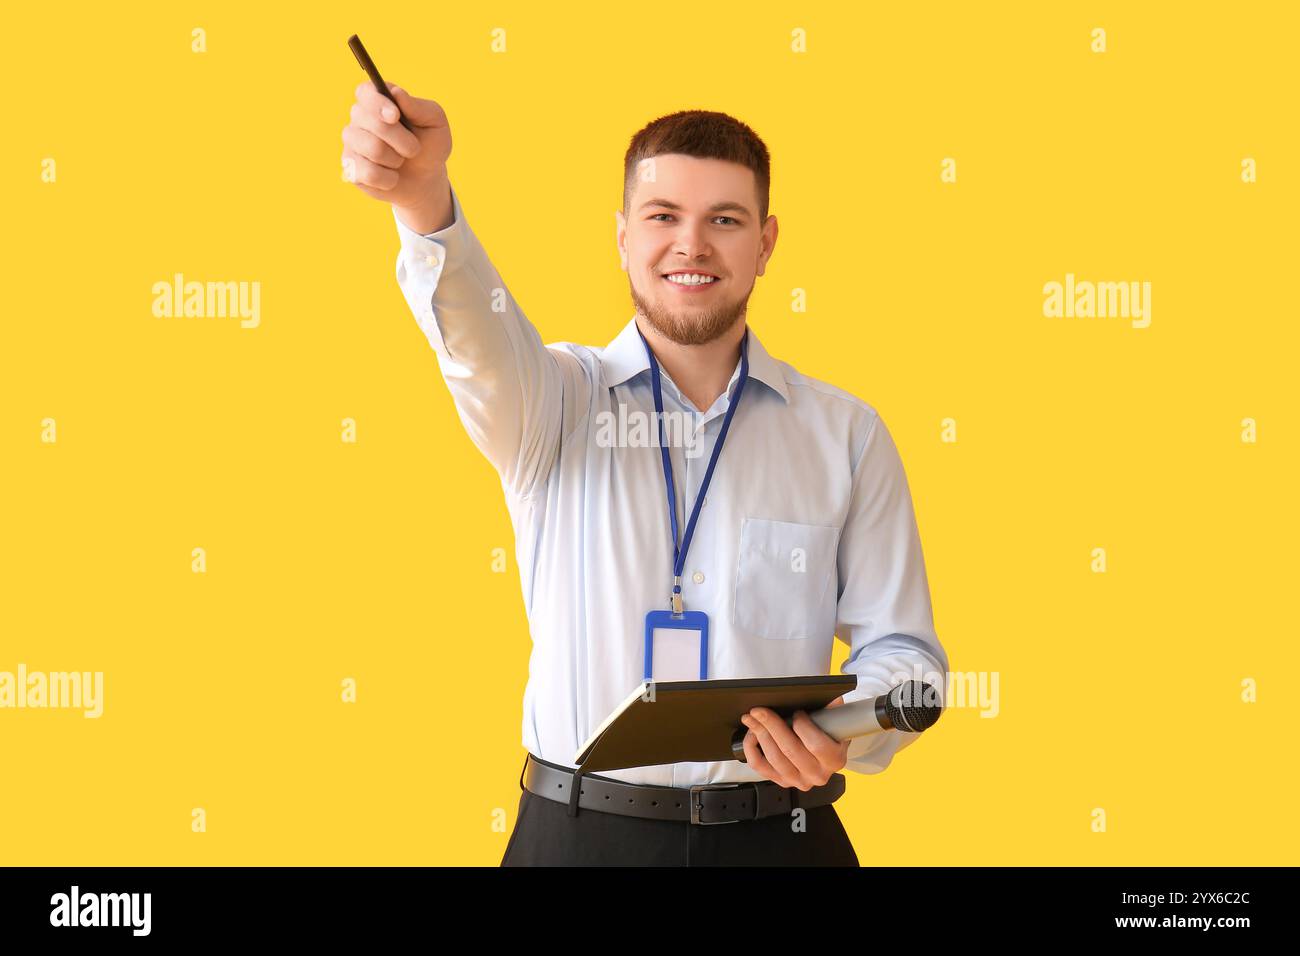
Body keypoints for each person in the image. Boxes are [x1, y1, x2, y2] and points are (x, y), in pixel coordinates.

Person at [341, 80, 949, 866]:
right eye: (664, 218)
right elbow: (475, 341)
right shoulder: (551, 403)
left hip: (783, 835)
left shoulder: (846, 435)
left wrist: (846, 733)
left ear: (765, 244)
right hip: (578, 837)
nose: (691, 246)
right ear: (623, 237)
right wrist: (425, 200)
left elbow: (905, 649)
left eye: (723, 221)